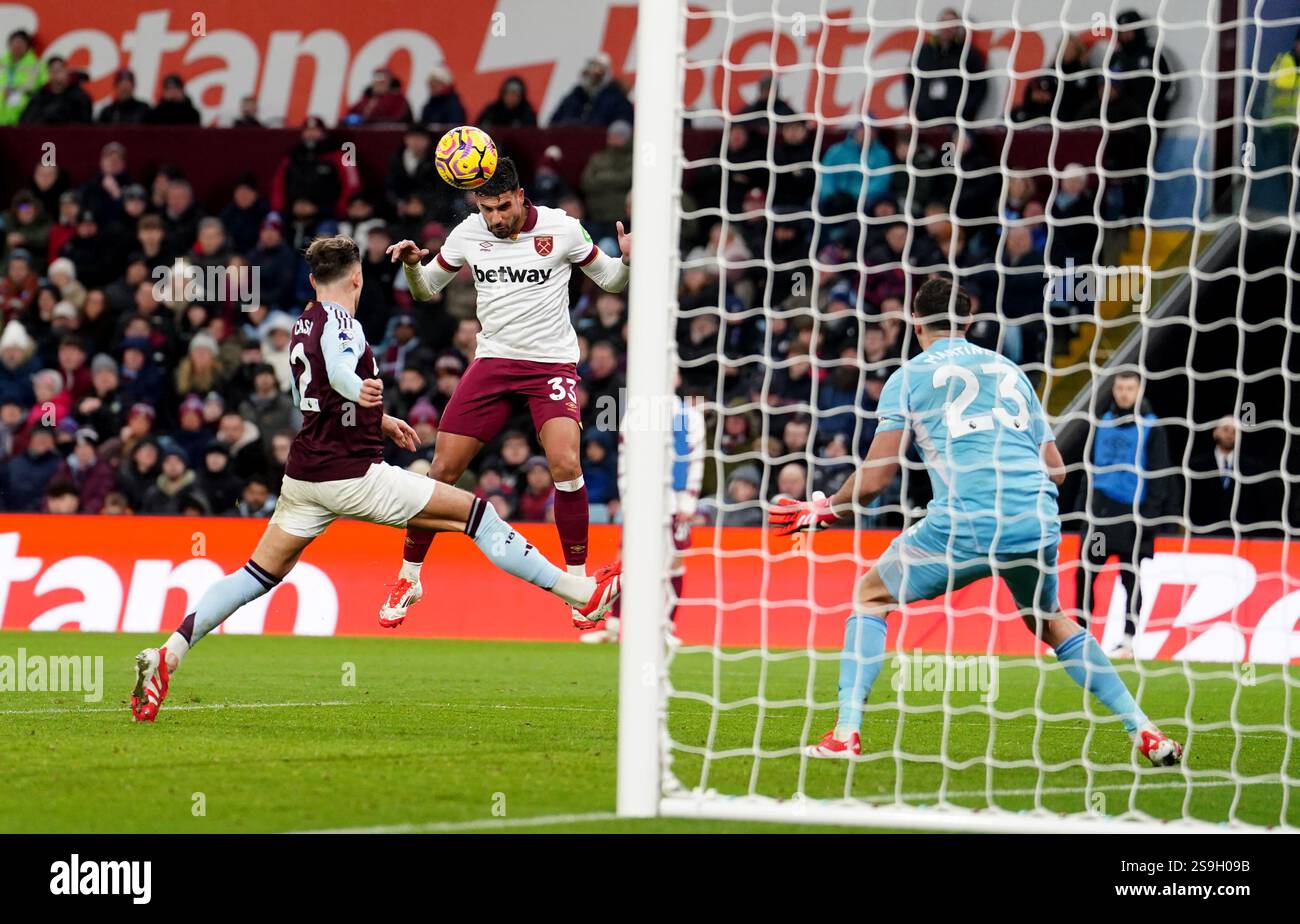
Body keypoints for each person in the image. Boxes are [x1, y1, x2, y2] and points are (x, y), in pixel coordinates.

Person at [129, 235, 622, 722]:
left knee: (256, 575)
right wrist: (361, 391)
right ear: (357, 278)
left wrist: (377, 418)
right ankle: (581, 594)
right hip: (353, 476)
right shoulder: (343, 321)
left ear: (313, 279)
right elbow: (341, 372)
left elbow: (324, 386)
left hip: (304, 477)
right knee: (479, 515)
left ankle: (168, 653)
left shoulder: (303, 319)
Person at [769, 278, 1183, 767]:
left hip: (967, 518)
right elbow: (1057, 468)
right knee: (1049, 620)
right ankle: (1147, 732)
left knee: (870, 595)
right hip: (1034, 515)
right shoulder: (1010, 371)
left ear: (916, 325)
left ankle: (846, 732)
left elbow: (878, 477)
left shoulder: (909, 376)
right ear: (967, 323)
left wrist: (828, 507)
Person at [384, 157, 633, 632]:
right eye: (485, 209)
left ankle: (580, 588)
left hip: (550, 365)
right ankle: (409, 576)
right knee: (441, 470)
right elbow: (424, 292)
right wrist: (416, 268)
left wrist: (626, 260)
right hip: (493, 363)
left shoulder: (563, 229)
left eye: (501, 207)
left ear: (521, 196)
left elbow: (613, 282)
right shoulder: (467, 233)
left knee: (566, 464)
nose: (494, 218)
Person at [1073, 371, 1181, 658]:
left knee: (1130, 577)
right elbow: (1090, 468)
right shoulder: (1102, 423)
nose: (1123, 393)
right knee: (1084, 574)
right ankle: (1080, 637)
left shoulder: (1152, 427)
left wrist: (1149, 517)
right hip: (1099, 513)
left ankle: (1128, 640)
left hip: (1133, 514)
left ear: (1139, 391)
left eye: (1129, 388)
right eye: (1120, 387)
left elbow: (1160, 475)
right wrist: (1084, 506)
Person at [548, 53, 633, 127]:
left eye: (597, 70)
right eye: (589, 68)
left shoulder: (618, 102)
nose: (591, 74)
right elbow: (553, 125)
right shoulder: (572, 98)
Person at [0, 30, 45, 126]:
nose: (17, 47)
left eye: (20, 44)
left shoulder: (37, 65)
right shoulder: (1, 63)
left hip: (24, 118)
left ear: (27, 47)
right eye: (14, 43)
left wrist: (17, 89)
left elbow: (41, 90)